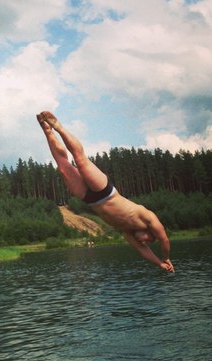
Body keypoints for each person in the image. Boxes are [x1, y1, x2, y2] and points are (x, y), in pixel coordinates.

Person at [37, 111, 174, 272]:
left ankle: (47, 130)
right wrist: (166, 257)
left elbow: (142, 251)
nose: (143, 242)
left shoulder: (128, 232)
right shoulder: (147, 217)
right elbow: (164, 239)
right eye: (147, 241)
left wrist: (159, 264)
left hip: (90, 199)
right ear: (151, 235)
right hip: (105, 192)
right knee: (80, 160)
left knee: (63, 167)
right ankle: (58, 127)